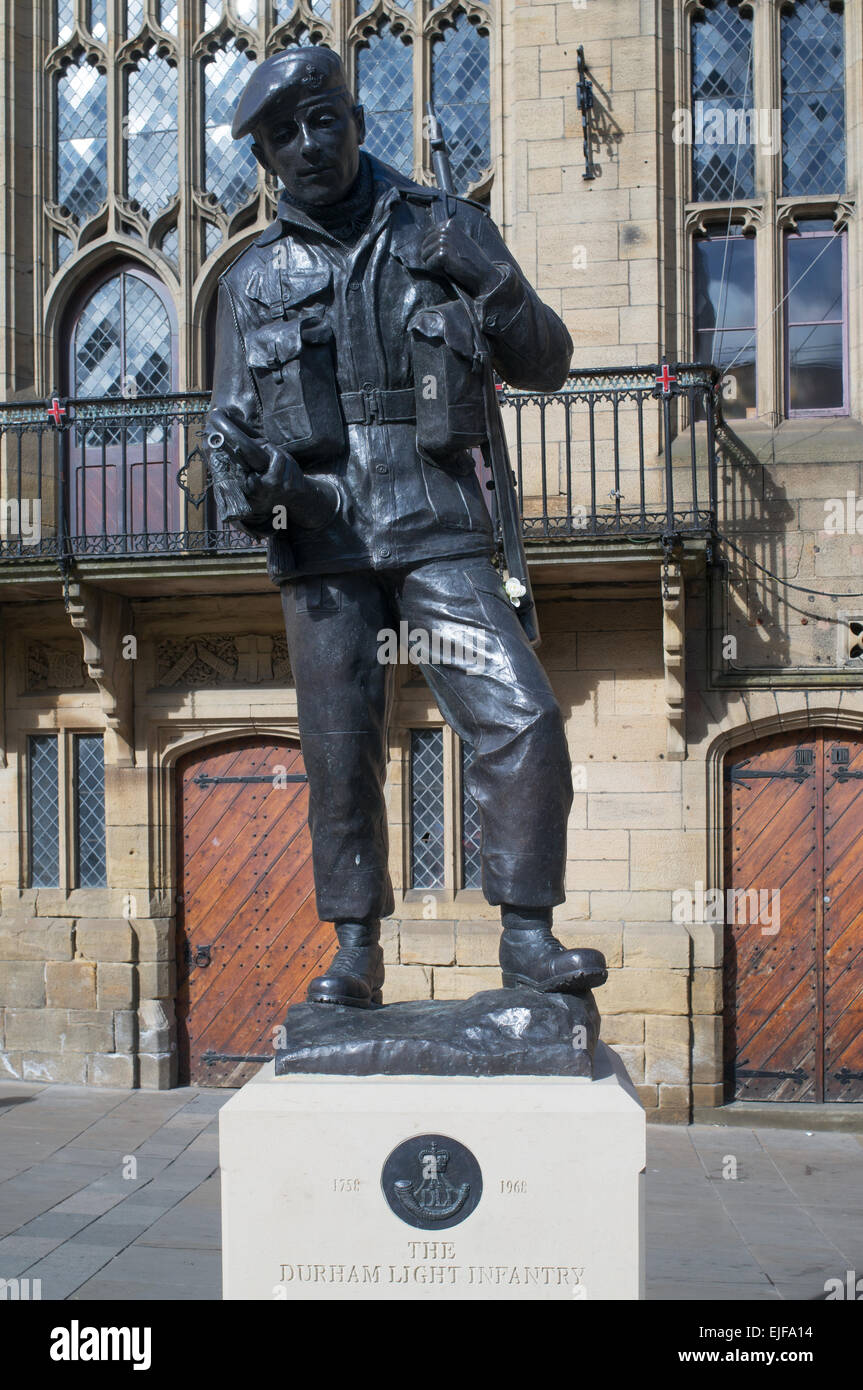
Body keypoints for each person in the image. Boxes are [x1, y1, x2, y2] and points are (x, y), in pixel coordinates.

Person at [206, 46, 607, 1008]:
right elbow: (226, 429)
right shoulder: (253, 278)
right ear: (263, 156)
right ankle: (354, 950)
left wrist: (489, 277)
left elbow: (546, 361)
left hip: (437, 520)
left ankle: (525, 938)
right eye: (282, 135)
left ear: (355, 118)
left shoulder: (447, 228)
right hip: (322, 534)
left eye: (324, 121)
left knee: (522, 716)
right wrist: (244, 478)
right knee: (339, 748)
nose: (309, 145)